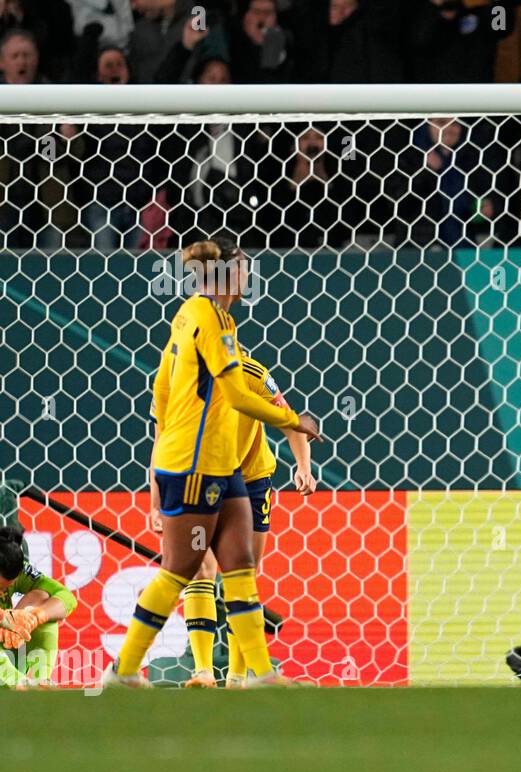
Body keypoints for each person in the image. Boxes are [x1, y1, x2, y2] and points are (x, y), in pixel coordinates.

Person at [106, 237, 320, 687]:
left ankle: (260, 675)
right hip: (194, 465)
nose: (248, 278)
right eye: (243, 269)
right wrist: (294, 419)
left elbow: (162, 395)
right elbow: (239, 394)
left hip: (219, 467)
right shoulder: (212, 319)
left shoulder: (184, 317)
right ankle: (124, 670)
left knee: (240, 564)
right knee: (181, 571)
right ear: (226, 274)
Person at [150, 349, 316, 688]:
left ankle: (239, 679)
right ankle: (203, 673)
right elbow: (161, 442)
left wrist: (303, 467)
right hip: (197, 480)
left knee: (245, 574)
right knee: (199, 566)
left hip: (250, 481)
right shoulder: (170, 377)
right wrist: (155, 502)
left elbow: (291, 422)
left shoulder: (250, 373)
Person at [0, 526, 78, 688]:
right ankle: (19, 684)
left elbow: (66, 597)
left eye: (5, 588)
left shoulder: (19, 570)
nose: (2, 592)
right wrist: (4, 618)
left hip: (8, 649)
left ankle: (39, 682)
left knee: (41, 599)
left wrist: (35, 617)